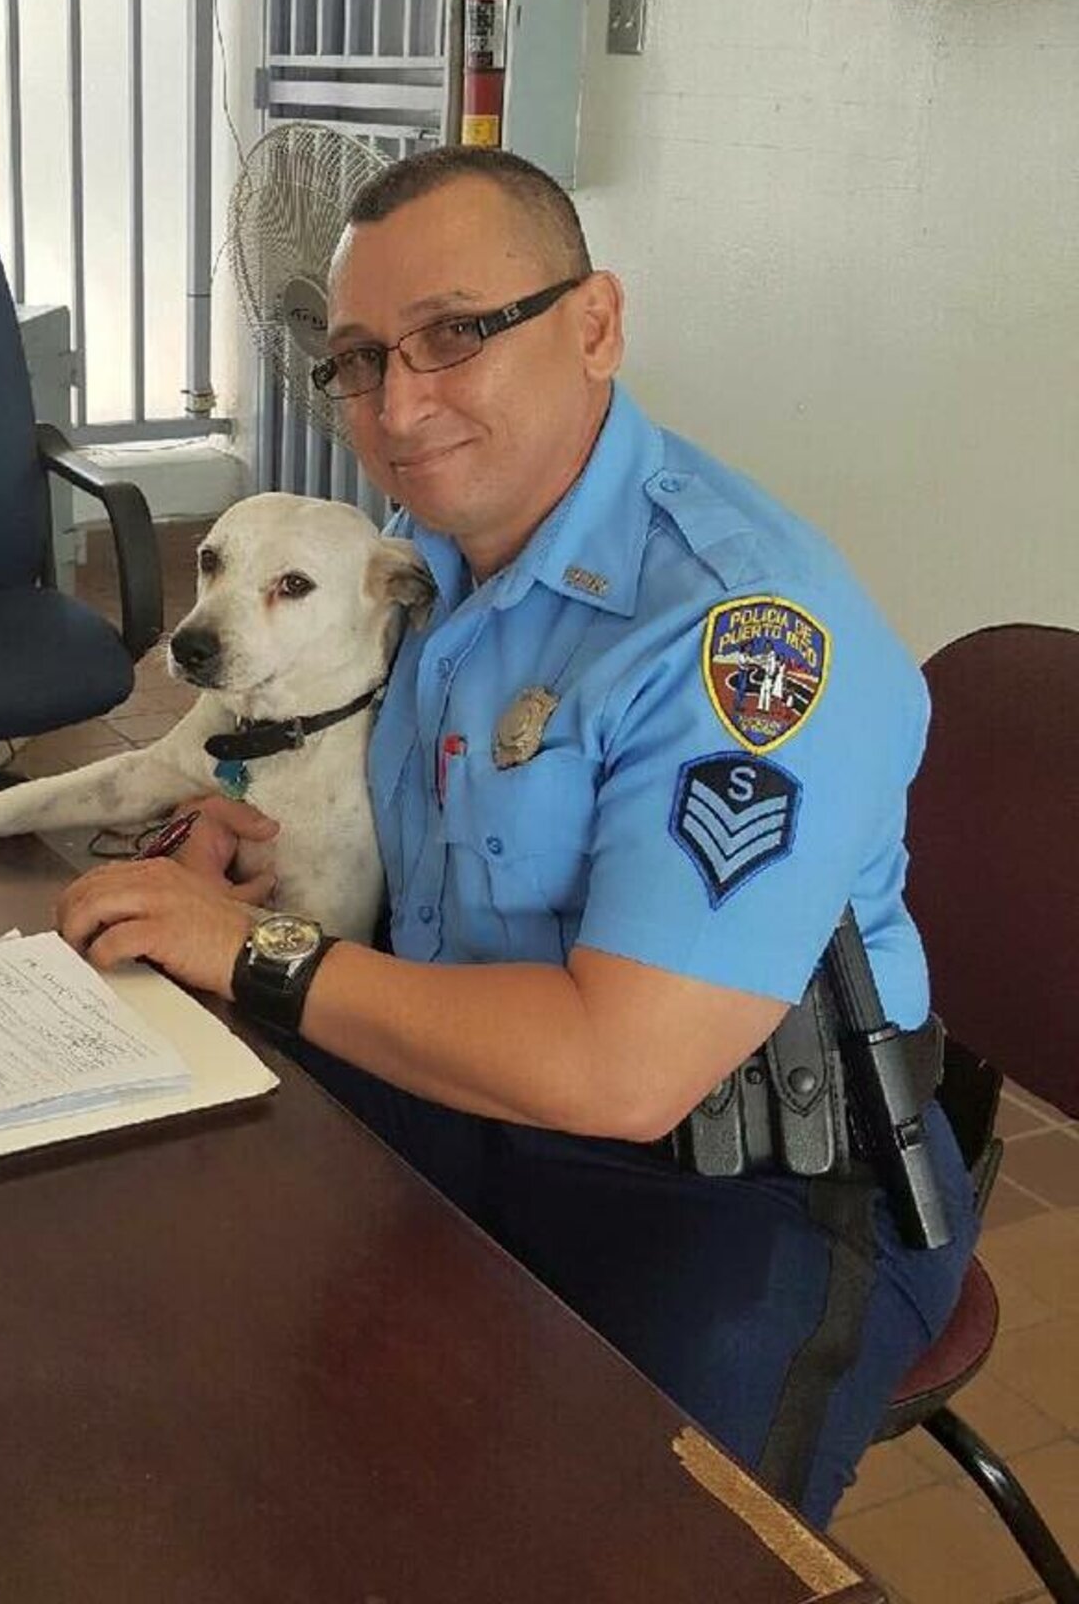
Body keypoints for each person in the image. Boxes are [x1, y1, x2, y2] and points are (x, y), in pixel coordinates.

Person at [55, 147, 977, 1526]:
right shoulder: (419, 572)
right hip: (465, 1090)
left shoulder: (742, 634)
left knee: (618, 1541)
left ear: (595, 325)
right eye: (359, 358)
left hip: (750, 1177)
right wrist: (246, 859)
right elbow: (383, 847)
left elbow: (623, 1069)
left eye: (456, 334)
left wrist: (254, 949)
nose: (397, 405)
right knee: (176, 1264)